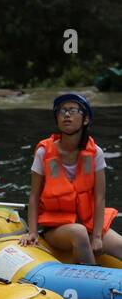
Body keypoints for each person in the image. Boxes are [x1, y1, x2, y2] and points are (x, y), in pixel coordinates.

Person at [23, 92, 122, 264]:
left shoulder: (95, 152)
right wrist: (32, 231)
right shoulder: (43, 152)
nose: (66, 115)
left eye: (73, 110)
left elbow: (100, 198)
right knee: (79, 232)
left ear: (85, 120)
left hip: (89, 224)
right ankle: (94, 283)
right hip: (57, 228)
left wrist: (98, 237)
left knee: (119, 244)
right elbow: (34, 196)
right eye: (62, 111)